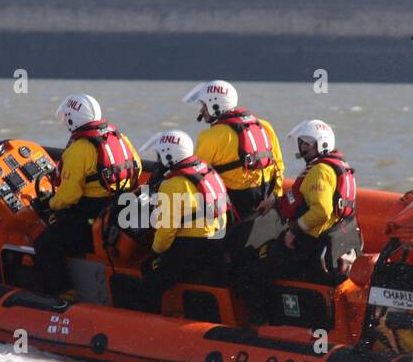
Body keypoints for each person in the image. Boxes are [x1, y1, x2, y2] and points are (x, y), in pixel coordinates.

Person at [246, 120, 361, 321]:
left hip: (310, 245)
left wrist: (294, 231)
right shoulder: (336, 167)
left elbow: (321, 211)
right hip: (325, 241)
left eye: (308, 143)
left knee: (255, 270)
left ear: (321, 144)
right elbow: (303, 199)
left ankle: (259, 322)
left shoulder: (319, 171)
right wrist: (275, 201)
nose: (303, 148)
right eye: (302, 143)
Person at [33, 93, 141, 300]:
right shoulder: (120, 138)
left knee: (45, 244)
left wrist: (49, 204)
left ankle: (65, 293)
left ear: (73, 119)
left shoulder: (78, 150)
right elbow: (138, 167)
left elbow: (68, 197)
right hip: (118, 212)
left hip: (92, 219)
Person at [140, 130, 231, 310]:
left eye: (160, 155)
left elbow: (166, 231)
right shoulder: (207, 170)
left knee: (148, 271)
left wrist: (154, 252)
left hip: (193, 247)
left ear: (168, 155)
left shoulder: (171, 185)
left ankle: (151, 324)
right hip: (216, 242)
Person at [182, 80, 285, 220]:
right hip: (265, 196)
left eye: (204, 105)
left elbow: (195, 175)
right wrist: (275, 196)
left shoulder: (210, 136)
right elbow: (277, 165)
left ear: (215, 105)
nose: (201, 110)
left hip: (235, 205)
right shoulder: (264, 126)